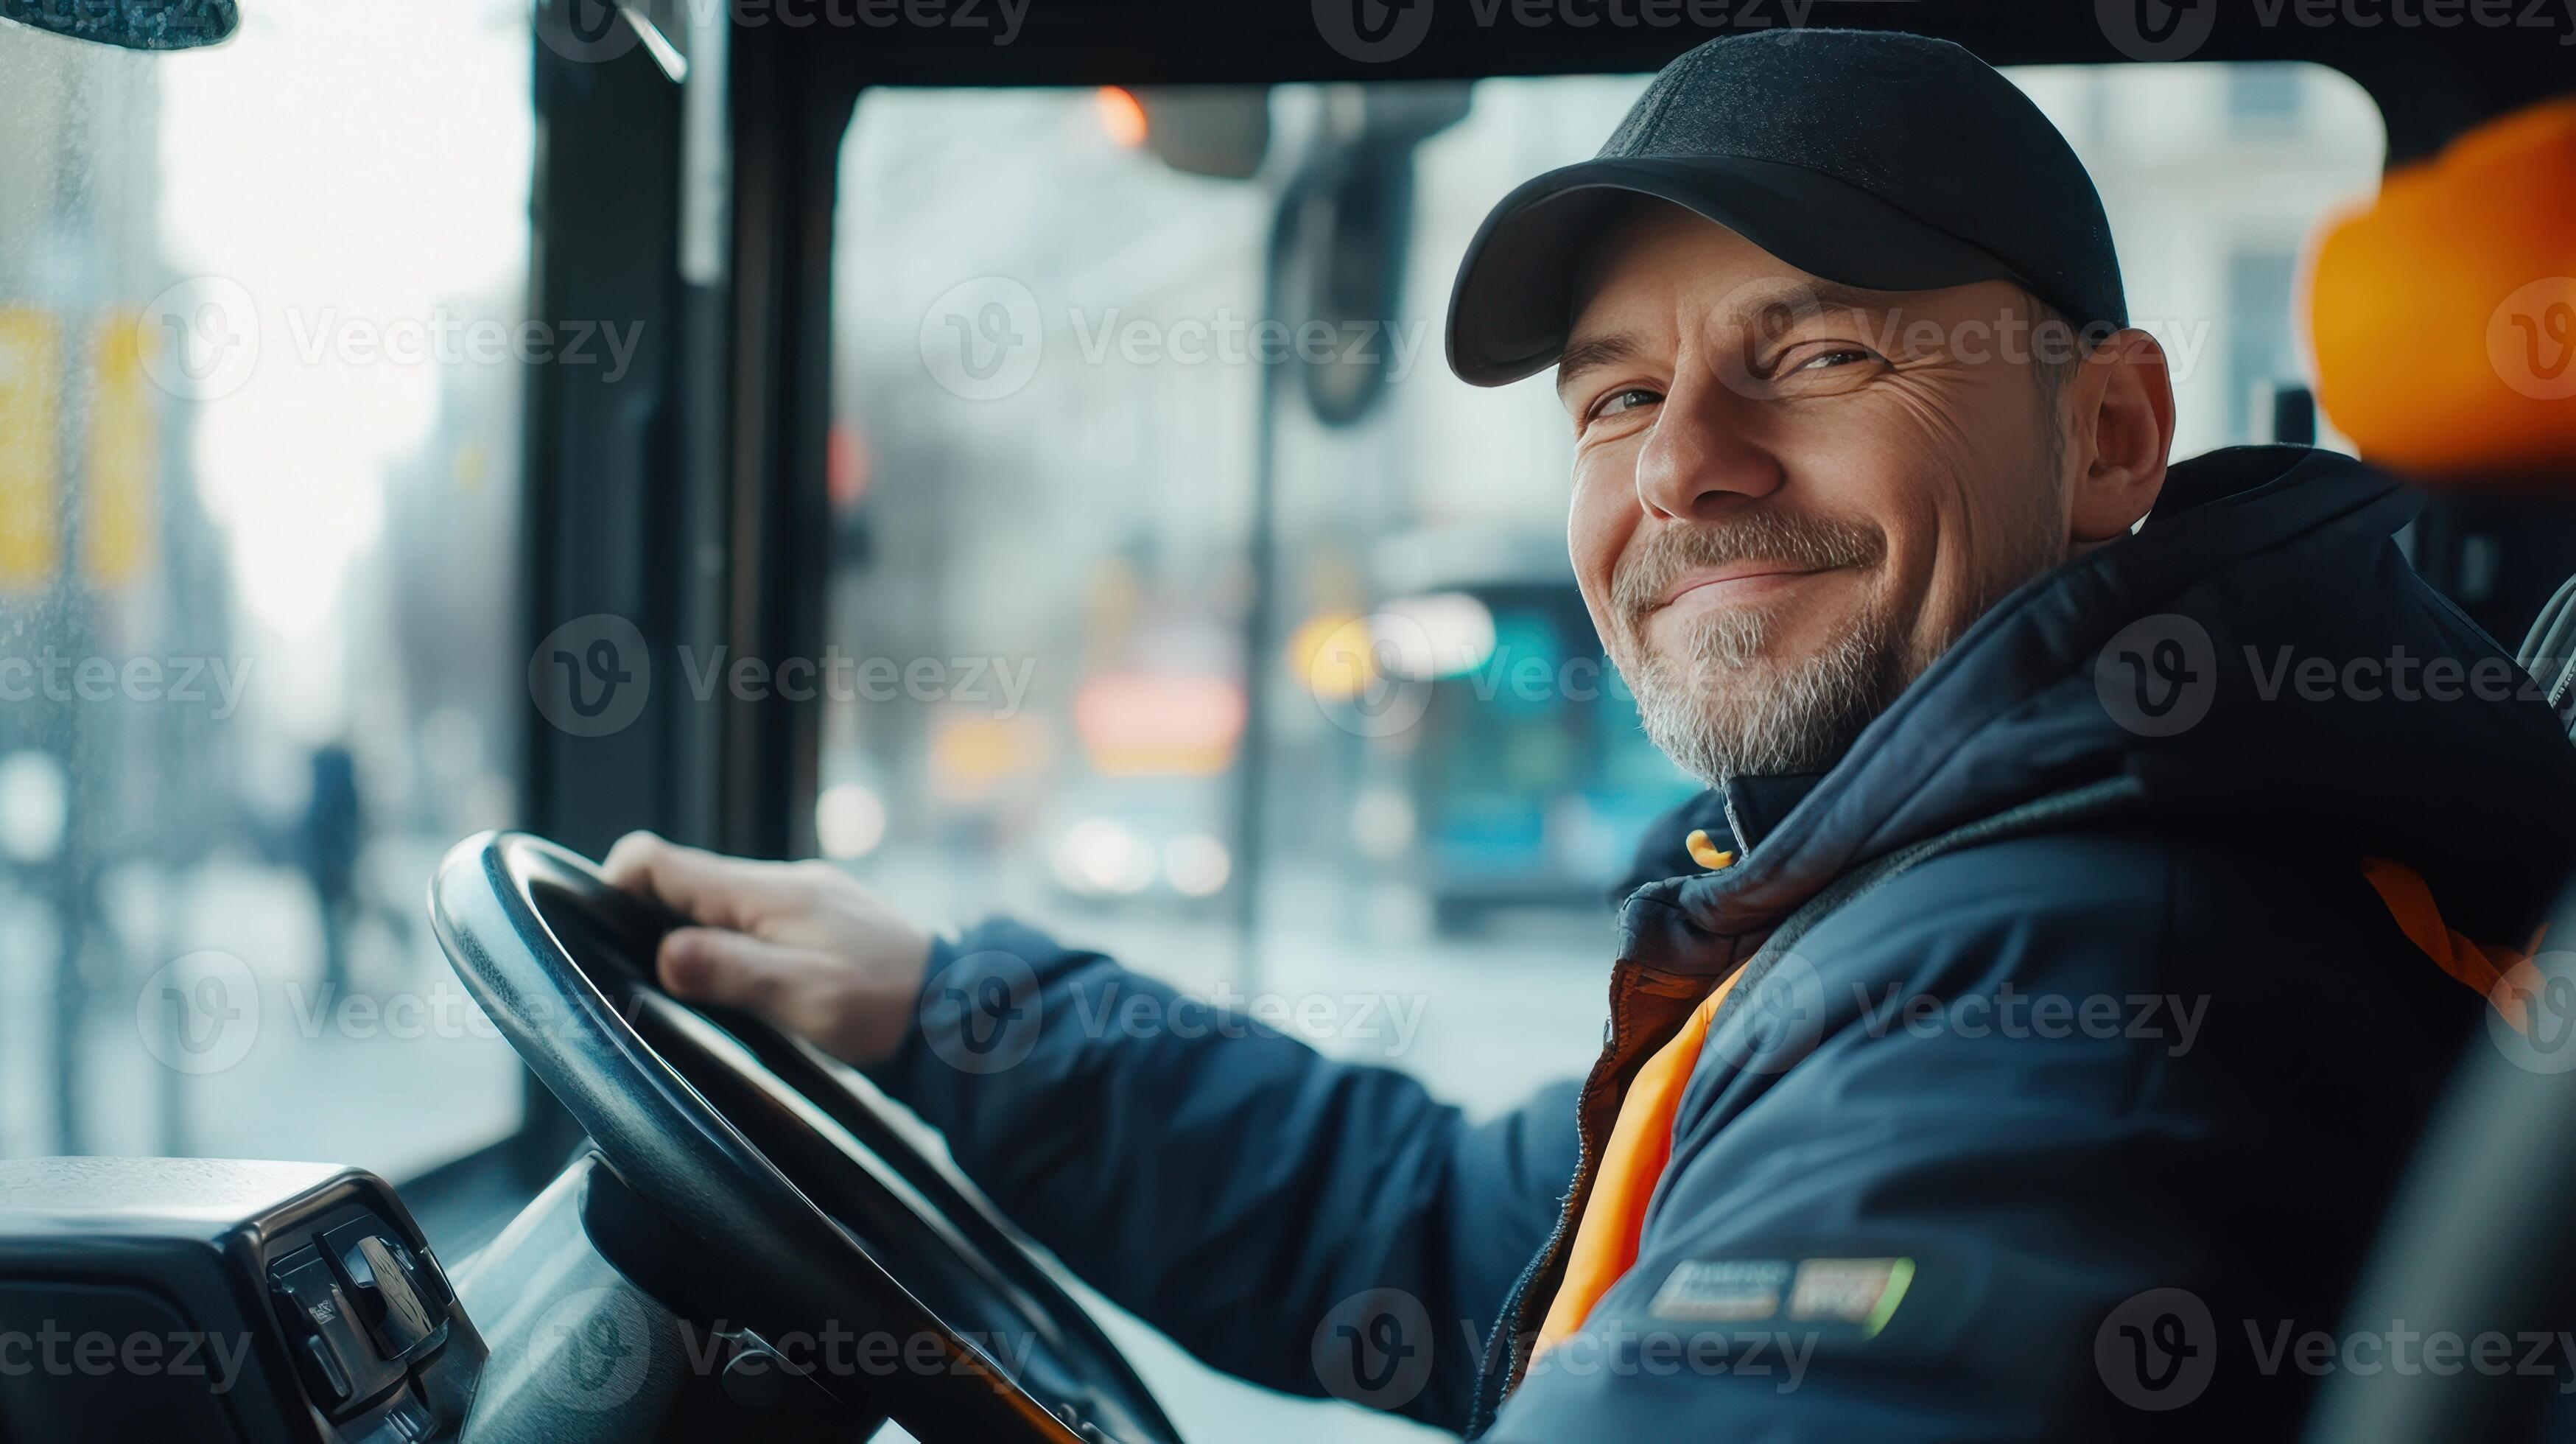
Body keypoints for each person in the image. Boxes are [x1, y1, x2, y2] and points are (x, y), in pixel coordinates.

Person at [606, 29, 2576, 1438]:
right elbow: (1475, 1242)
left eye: (1810, 352)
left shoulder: (2082, 994)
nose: (1687, 469)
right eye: (1613, 399)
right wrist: (948, 1006)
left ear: (2110, 436)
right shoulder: (1951, 871)